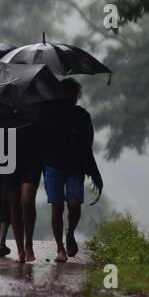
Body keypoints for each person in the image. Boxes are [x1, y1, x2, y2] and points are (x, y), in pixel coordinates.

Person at [43, 79, 103, 263]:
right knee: (57, 206)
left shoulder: (82, 117)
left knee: (74, 205)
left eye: (73, 94)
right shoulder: (50, 114)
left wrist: (90, 168)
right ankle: (60, 248)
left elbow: (88, 144)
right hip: (53, 166)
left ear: (76, 97)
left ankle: (70, 232)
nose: (70, 97)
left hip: (75, 168)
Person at [4, 121, 47, 264]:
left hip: (32, 157)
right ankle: (20, 250)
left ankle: (29, 244)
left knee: (27, 200)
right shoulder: (2, 106)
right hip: (8, 155)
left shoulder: (34, 103)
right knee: (14, 205)